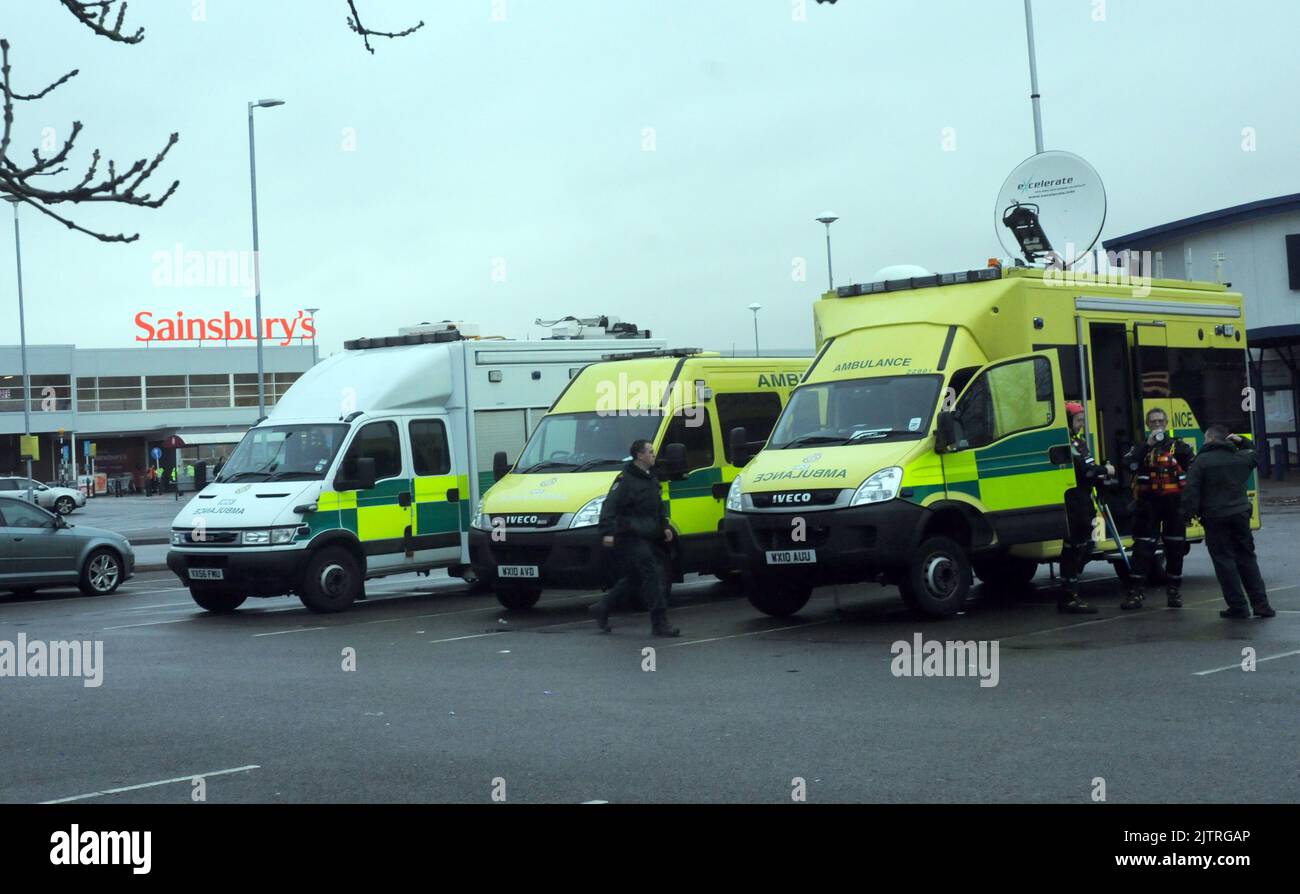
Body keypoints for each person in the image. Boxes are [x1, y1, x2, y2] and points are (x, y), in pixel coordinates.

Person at [1180, 425, 1275, 619]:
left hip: (1214, 516)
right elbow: (1256, 454)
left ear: (1209, 439)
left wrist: (1186, 515)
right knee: (1247, 558)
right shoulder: (1240, 457)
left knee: (1224, 561)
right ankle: (1262, 605)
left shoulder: (1201, 462)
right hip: (1240, 514)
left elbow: (1191, 491)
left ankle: (1238, 606)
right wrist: (1242, 441)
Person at [589, 439, 679, 637]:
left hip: (647, 534)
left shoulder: (651, 478)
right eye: (651, 452)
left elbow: (657, 506)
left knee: (636, 577)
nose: (654, 455)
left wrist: (664, 526)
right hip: (629, 535)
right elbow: (609, 507)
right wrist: (607, 533)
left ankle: (603, 606)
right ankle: (659, 622)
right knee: (652, 572)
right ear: (640, 455)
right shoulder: (625, 480)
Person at [1121, 407, 1194, 610]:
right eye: (1153, 422)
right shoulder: (1141, 447)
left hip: (1174, 505)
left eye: (1160, 421)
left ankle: (1174, 592)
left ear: (1167, 423)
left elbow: (1194, 469)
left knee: (1175, 548)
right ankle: (1135, 592)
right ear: (1147, 425)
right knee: (1143, 549)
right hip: (1148, 504)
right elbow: (1127, 463)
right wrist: (1148, 445)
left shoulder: (1179, 447)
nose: (1157, 425)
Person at [1058, 402, 1113, 613]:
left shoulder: (1078, 442)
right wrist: (1105, 469)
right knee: (1073, 548)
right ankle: (1069, 597)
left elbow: (1089, 467)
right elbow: (1084, 470)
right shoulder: (1066, 444)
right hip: (1073, 501)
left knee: (1084, 544)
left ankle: (1070, 592)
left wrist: (1098, 472)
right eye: (1078, 420)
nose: (1081, 424)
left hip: (1084, 499)